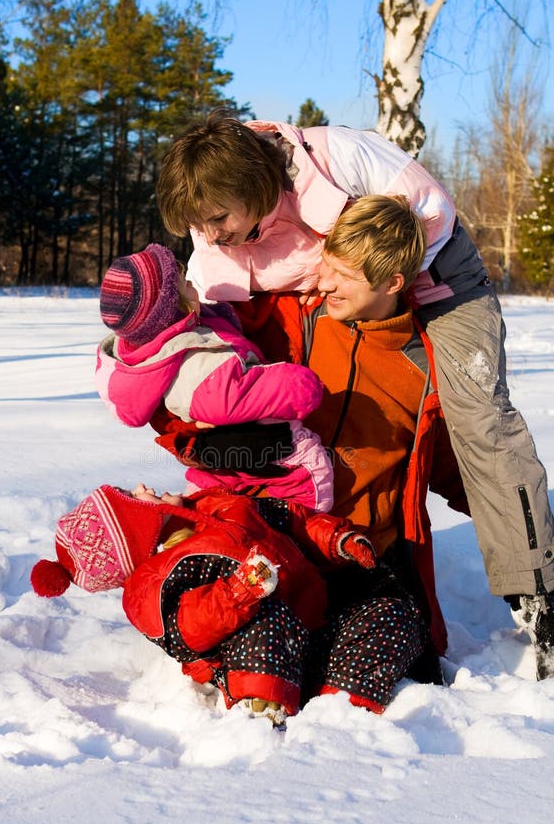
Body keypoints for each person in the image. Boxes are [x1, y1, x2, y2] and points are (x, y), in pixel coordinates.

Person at [157, 111, 554, 679]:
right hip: (338, 293)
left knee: (477, 421)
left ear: (251, 185)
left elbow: (433, 214)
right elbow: (212, 312)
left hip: (431, 279)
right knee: (262, 399)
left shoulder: (336, 157)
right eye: (201, 225)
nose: (211, 234)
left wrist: (374, 285)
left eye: (219, 219)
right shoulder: (214, 222)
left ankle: (539, 593)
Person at [30, 481, 425, 721]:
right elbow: (189, 630)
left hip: (313, 626)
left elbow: (289, 519)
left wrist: (337, 539)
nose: (144, 488)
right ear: (135, 529)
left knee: (392, 612)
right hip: (261, 656)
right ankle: (263, 709)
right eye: (133, 497)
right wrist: (242, 590)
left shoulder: (214, 507)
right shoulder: (148, 585)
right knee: (264, 616)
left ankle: (342, 705)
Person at [95, 242, 333, 512]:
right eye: (186, 285)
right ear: (175, 311)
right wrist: (306, 384)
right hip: (273, 455)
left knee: (212, 510)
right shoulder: (194, 367)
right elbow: (234, 396)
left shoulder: (157, 349)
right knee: (313, 491)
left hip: (218, 464)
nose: (194, 286)